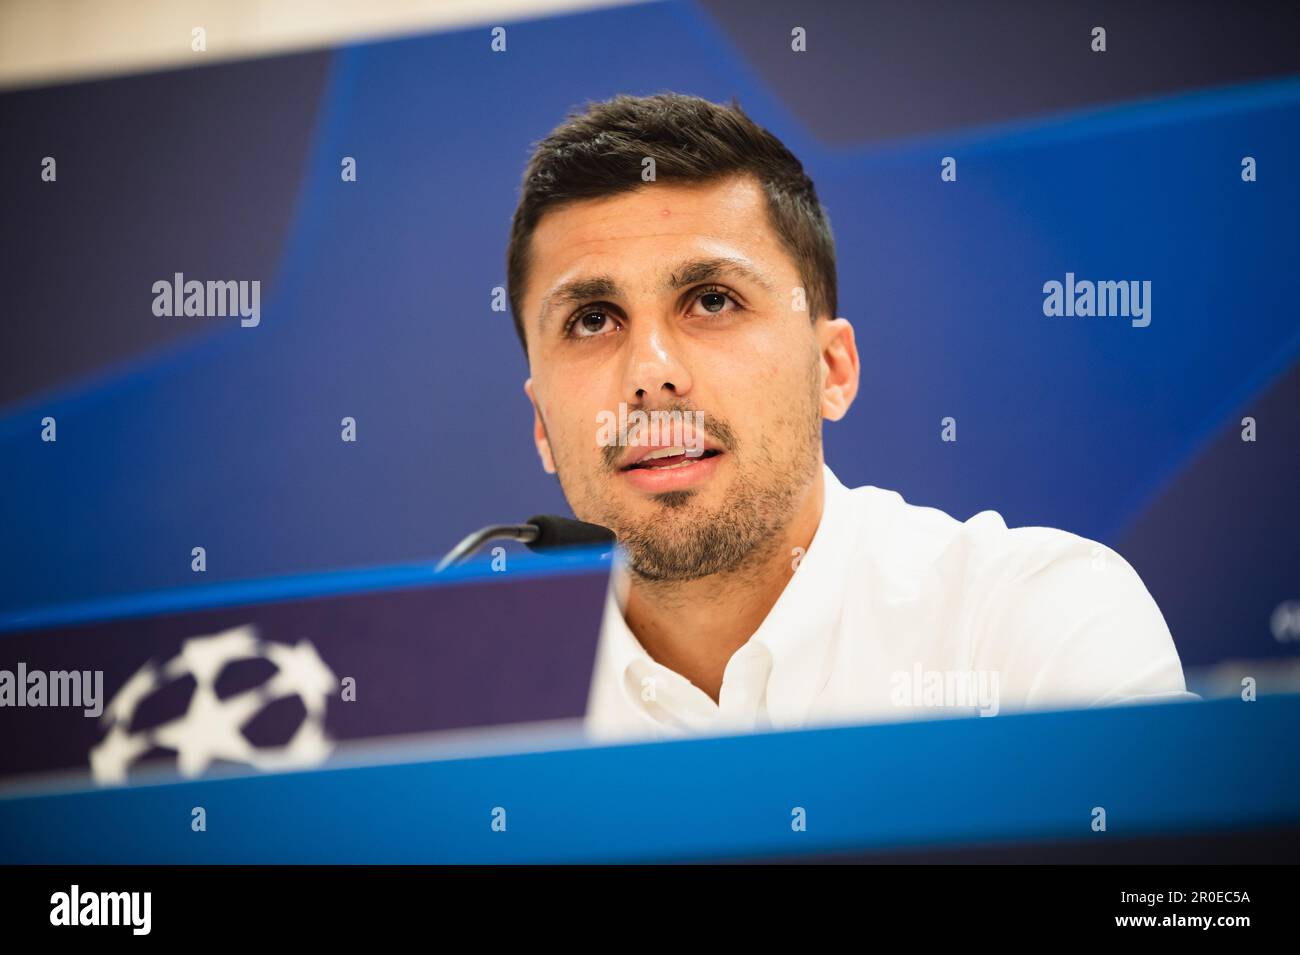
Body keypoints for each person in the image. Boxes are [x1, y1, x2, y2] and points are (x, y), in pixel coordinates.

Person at [504, 92, 1195, 741]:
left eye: (712, 300)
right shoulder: (474, 714)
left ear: (831, 369)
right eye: (593, 319)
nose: (651, 372)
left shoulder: (1031, 628)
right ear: (542, 423)